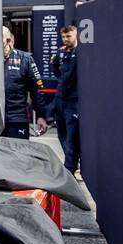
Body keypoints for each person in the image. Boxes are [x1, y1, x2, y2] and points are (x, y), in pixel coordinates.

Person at [3, 26, 47, 139]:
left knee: (18, 155)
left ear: (8, 41)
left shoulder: (25, 59)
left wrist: (41, 115)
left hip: (16, 119)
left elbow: (37, 89)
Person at [50, 24, 80, 175]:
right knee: (61, 133)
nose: (65, 39)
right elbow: (56, 70)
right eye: (63, 36)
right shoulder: (60, 53)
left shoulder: (81, 52)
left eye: (68, 36)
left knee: (72, 135)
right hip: (60, 98)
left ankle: (70, 167)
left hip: (74, 100)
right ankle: (70, 163)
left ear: (76, 35)